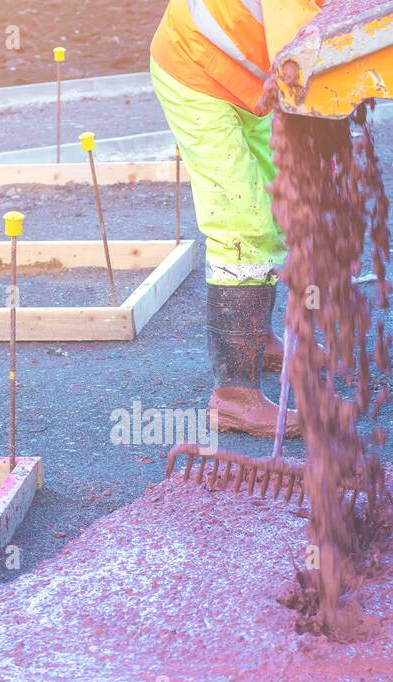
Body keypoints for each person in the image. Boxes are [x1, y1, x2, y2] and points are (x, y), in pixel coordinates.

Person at [150, 0, 321, 437]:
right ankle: (233, 397)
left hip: (250, 81)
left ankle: (256, 340)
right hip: (198, 70)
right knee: (244, 224)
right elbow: (300, 65)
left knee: (283, 195)